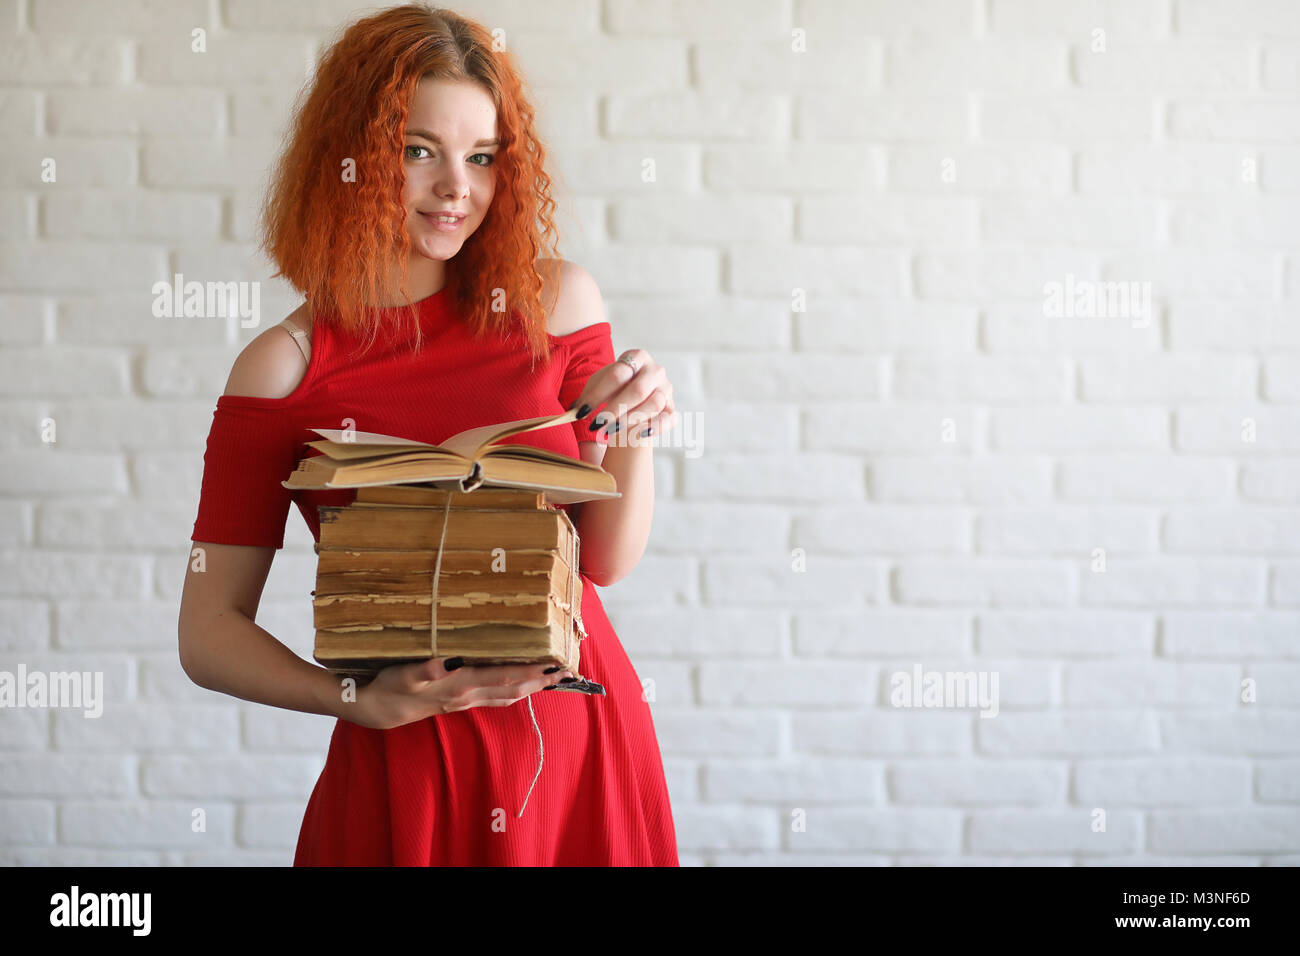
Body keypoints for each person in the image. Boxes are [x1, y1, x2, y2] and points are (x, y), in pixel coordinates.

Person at [177, 3, 679, 866]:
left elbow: (603, 562)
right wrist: (350, 698)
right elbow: (208, 630)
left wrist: (634, 423)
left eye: (482, 158)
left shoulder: (553, 301)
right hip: (408, 754)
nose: (458, 188)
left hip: (578, 737)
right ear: (352, 159)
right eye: (419, 152)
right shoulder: (283, 367)